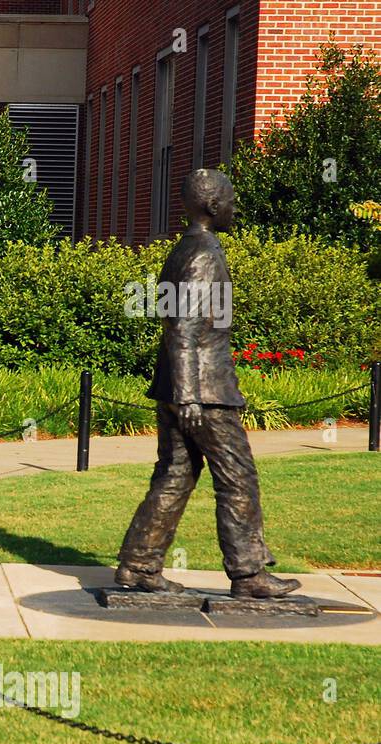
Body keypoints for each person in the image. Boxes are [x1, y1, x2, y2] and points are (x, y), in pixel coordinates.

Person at [115, 169, 299, 599]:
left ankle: (139, 566)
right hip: (203, 388)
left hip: (179, 385)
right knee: (238, 477)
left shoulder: (181, 250)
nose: (236, 208)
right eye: (231, 201)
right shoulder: (205, 254)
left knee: (175, 474)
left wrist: (178, 390)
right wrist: (190, 394)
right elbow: (184, 325)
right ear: (214, 207)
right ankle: (249, 574)